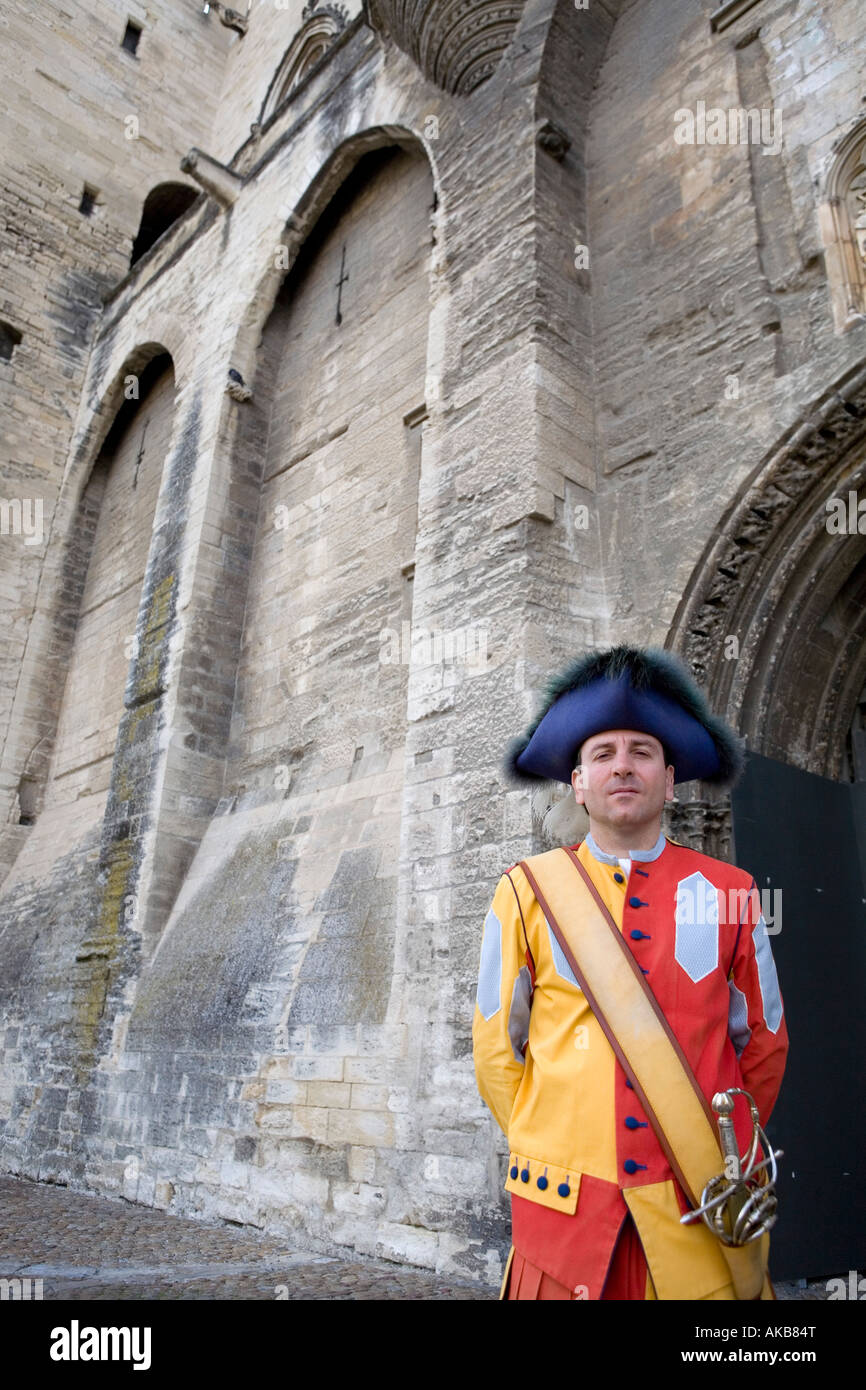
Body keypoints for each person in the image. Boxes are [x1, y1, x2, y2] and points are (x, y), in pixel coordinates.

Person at [472, 645, 788, 1300]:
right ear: (579, 785)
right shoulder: (525, 890)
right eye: (602, 754)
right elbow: (498, 1054)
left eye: (642, 752)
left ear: (670, 781)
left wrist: (715, 1149)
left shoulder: (732, 891)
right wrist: (559, 1138)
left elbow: (762, 1045)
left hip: (697, 1203)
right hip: (564, 1215)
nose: (623, 765)